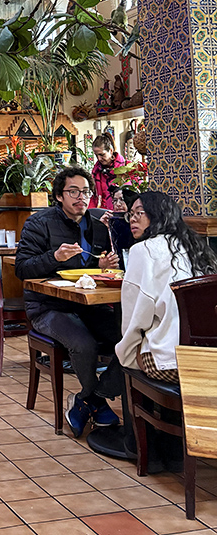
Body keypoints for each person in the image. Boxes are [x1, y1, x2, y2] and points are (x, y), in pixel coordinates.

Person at [15, 165, 122, 437]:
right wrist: (55, 257)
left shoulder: (99, 223)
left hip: (91, 304)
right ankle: (93, 400)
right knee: (83, 344)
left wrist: (103, 264)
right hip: (47, 307)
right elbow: (23, 269)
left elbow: (99, 266)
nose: (81, 197)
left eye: (86, 191)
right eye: (73, 191)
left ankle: (91, 397)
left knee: (129, 338)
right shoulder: (39, 223)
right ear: (59, 196)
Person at [116, 192, 217, 472]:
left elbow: (136, 318)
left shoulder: (142, 251)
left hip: (171, 364)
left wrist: (125, 352)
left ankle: (141, 446)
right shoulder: (198, 245)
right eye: (130, 213)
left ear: (157, 217)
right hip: (207, 361)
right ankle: (173, 445)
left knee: (124, 358)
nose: (132, 219)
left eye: (139, 213)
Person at [89, 134, 126, 210]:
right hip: (102, 214)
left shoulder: (126, 169)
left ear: (111, 151)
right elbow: (93, 197)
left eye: (102, 155)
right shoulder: (96, 172)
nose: (99, 159)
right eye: (96, 155)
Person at [105, 186, 139, 263]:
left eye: (122, 200)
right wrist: (103, 227)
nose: (118, 204)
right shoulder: (111, 219)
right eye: (115, 200)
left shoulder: (138, 221)